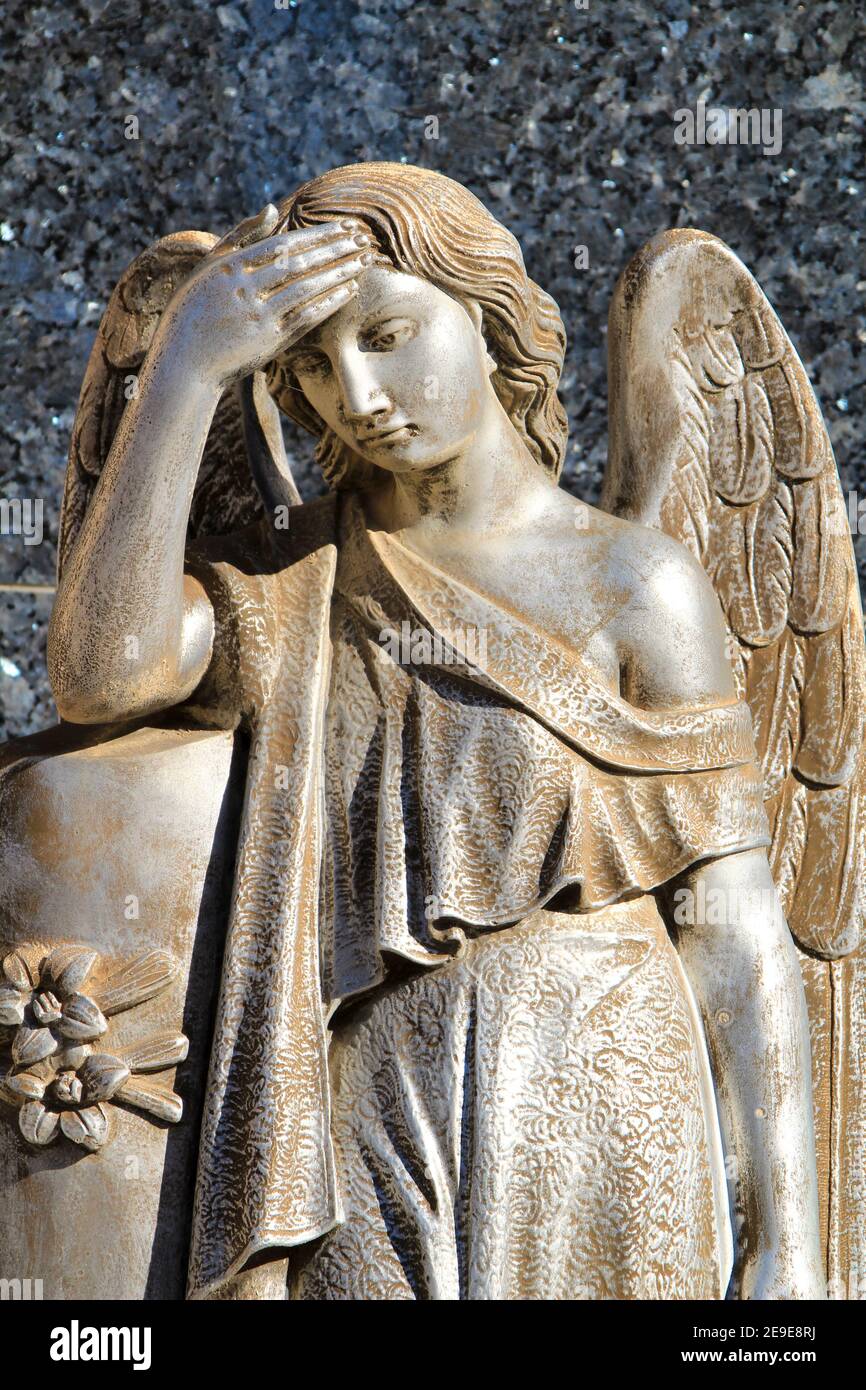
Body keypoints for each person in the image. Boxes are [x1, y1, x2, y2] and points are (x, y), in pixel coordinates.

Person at [48, 162, 824, 1300]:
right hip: (362, 1085)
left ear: (488, 313)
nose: (355, 392)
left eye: (390, 334)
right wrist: (185, 368)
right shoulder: (293, 576)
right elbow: (98, 676)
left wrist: (785, 1238)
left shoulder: (637, 583)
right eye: (309, 363)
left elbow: (735, 928)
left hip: (607, 1075)